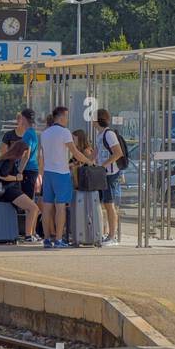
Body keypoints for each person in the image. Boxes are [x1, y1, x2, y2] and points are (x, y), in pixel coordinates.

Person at [38, 105, 97, 249]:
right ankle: (58, 239)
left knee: (47, 207)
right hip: (61, 173)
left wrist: (41, 174)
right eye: (67, 116)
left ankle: (47, 239)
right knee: (60, 207)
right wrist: (89, 161)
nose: (67, 119)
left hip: (48, 173)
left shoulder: (45, 133)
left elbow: (41, 156)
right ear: (61, 117)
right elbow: (75, 152)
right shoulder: (64, 132)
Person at [0, 139, 41, 242]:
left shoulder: (7, 158)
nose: (25, 154)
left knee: (32, 208)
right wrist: (16, 178)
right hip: (10, 190)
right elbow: (3, 176)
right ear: (20, 150)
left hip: (10, 190)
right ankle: (29, 236)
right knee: (33, 208)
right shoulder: (10, 160)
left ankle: (31, 234)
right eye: (24, 151)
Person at [95, 109, 125, 245]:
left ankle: (112, 236)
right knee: (104, 204)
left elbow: (118, 153)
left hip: (111, 173)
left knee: (109, 204)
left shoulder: (109, 134)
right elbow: (94, 154)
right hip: (103, 173)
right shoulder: (99, 135)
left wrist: (103, 165)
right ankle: (107, 234)